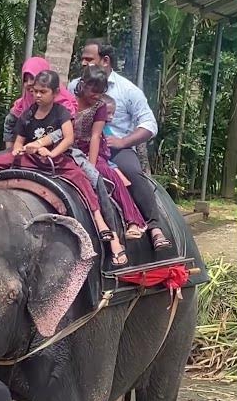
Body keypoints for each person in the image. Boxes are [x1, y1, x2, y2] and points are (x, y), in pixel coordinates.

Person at [0, 69, 128, 265]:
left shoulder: (61, 112)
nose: (37, 95)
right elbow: (18, 141)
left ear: (55, 93)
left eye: (42, 92)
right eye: (35, 91)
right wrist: (19, 150)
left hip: (58, 160)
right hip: (30, 158)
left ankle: (101, 222)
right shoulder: (28, 113)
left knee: (84, 179)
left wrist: (51, 153)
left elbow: (68, 138)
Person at [71, 38, 173, 251]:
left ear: (105, 61)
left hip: (116, 148)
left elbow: (149, 124)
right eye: (81, 59)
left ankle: (154, 227)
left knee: (132, 173)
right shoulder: (74, 86)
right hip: (77, 146)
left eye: (89, 59)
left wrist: (123, 141)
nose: (83, 63)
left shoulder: (129, 91)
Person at [32, 65, 148, 243]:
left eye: (100, 92)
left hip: (90, 150)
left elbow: (95, 136)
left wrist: (91, 165)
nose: (96, 96)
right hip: (64, 147)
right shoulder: (68, 102)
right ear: (83, 85)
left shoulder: (100, 106)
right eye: (93, 91)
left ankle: (132, 220)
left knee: (106, 173)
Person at [2, 56, 78, 147]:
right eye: (25, 80)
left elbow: (66, 136)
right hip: (28, 152)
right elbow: (14, 133)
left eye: (32, 78)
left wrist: (40, 144)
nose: (29, 83)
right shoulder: (22, 106)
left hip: (56, 152)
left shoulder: (63, 108)